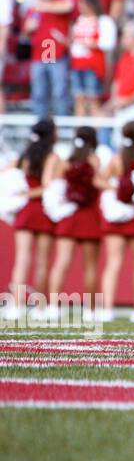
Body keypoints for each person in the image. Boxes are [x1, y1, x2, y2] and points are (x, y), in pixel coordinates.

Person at [98, 120, 134, 323]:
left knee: (113, 262)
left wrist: (115, 189)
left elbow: (98, 180)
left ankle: (107, 310)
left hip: (116, 217)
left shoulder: (116, 159)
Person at [45, 126, 103, 318]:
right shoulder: (94, 160)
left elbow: (53, 186)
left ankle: (53, 307)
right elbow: (97, 183)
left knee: (61, 262)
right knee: (91, 267)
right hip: (88, 218)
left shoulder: (65, 163)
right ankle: (90, 311)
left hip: (68, 217)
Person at [4, 118, 57, 320]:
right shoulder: (51, 156)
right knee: (42, 261)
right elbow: (47, 185)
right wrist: (27, 195)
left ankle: (15, 306)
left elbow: (8, 174)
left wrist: (17, 195)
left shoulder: (24, 156)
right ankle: (40, 308)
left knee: (22, 259)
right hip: (41, 210)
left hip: (25, 212)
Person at [68, 0, 116, 117]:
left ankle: (96, 131)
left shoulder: (103, 21)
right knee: (79, 98)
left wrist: (88, 43)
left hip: (93, 66)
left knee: (93, 98)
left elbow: (107, 43)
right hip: (77, 65)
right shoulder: (79, 21)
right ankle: (80, 130)